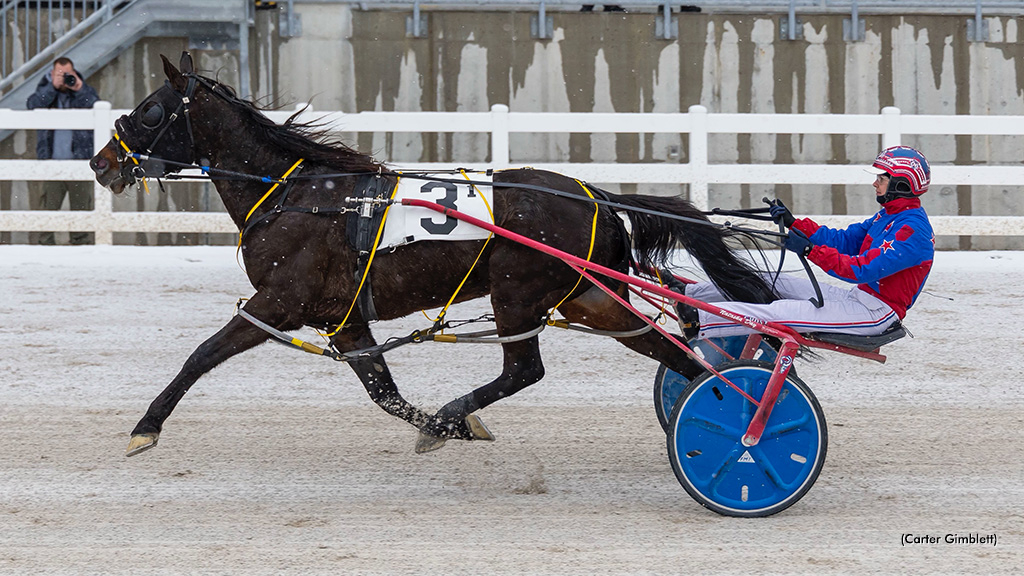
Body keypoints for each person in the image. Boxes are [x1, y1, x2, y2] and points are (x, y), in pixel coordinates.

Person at [677, 145, 935, 339]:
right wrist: (794, 224)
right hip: (858, 298)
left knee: (779, 312)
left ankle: (700, 320)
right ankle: (687, 294)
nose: (875, 183)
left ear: (901, 183)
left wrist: (811, 251)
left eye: (881, 178)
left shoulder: (912, 231)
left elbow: (861, 269)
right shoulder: (890, 215)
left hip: (875, 314)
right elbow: (843, 240)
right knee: (769, 280)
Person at [26, 56, 99, 245]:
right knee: (48, 208)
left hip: (80, 161)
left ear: (74, 72)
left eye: (68, 74)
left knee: (82, 208)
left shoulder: (83, 90)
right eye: (60, 74)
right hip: (52, 162)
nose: (65, 77)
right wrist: (53, 87)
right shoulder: (45, 91)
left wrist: (79, 88)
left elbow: (95, 105)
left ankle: (81, 246)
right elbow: (32, 105)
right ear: (52, 74)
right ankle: (45, 246)